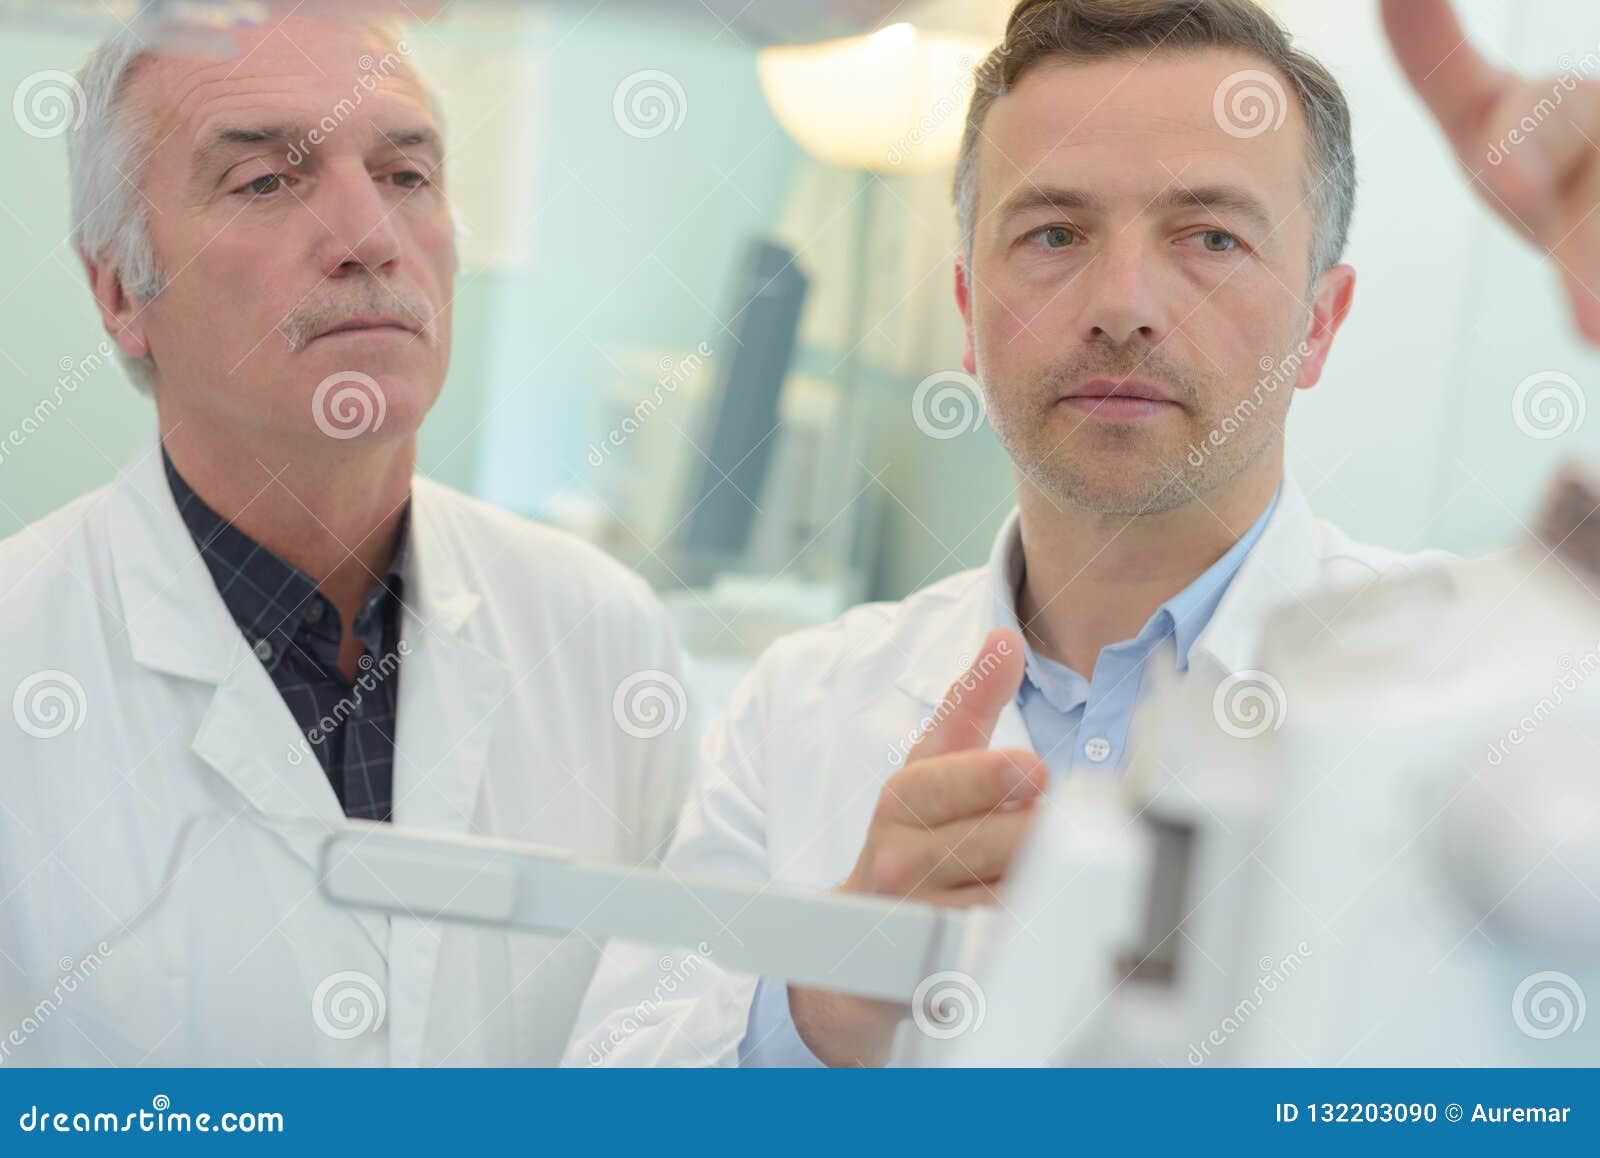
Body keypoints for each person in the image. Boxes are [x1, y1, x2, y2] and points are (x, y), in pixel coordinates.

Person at [565, 0, 1600, 1067]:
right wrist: (816, 1011)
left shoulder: (1512, 709)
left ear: (1319, 326)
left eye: (1209, 237)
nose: (1121, 304)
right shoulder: (799, 708)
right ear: (966, 312)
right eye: (1054, 233)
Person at [0, 12, 695, 1065]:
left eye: (406, 174)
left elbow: (670, 1064)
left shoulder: (601, 637)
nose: (370, 236)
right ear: (118, 291)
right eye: (268, 182)